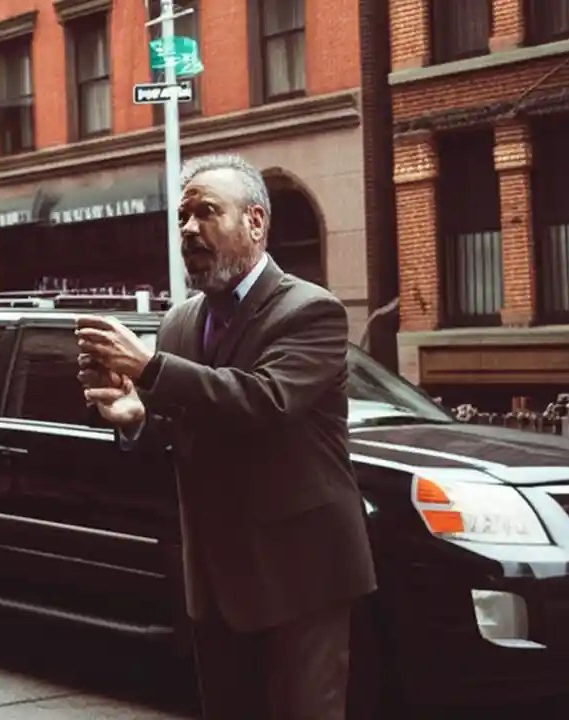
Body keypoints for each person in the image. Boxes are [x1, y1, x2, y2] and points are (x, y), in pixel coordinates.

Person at [74, 154, 376, 720]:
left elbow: (264, 401)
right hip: (215, 581)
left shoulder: (310, 311)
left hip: (300, 575)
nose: (189, 229)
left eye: (206, 213)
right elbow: (191, 425)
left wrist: (149, 370)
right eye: (182, 218)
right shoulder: (180, 321)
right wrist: (137, 417)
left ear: (255, 223)